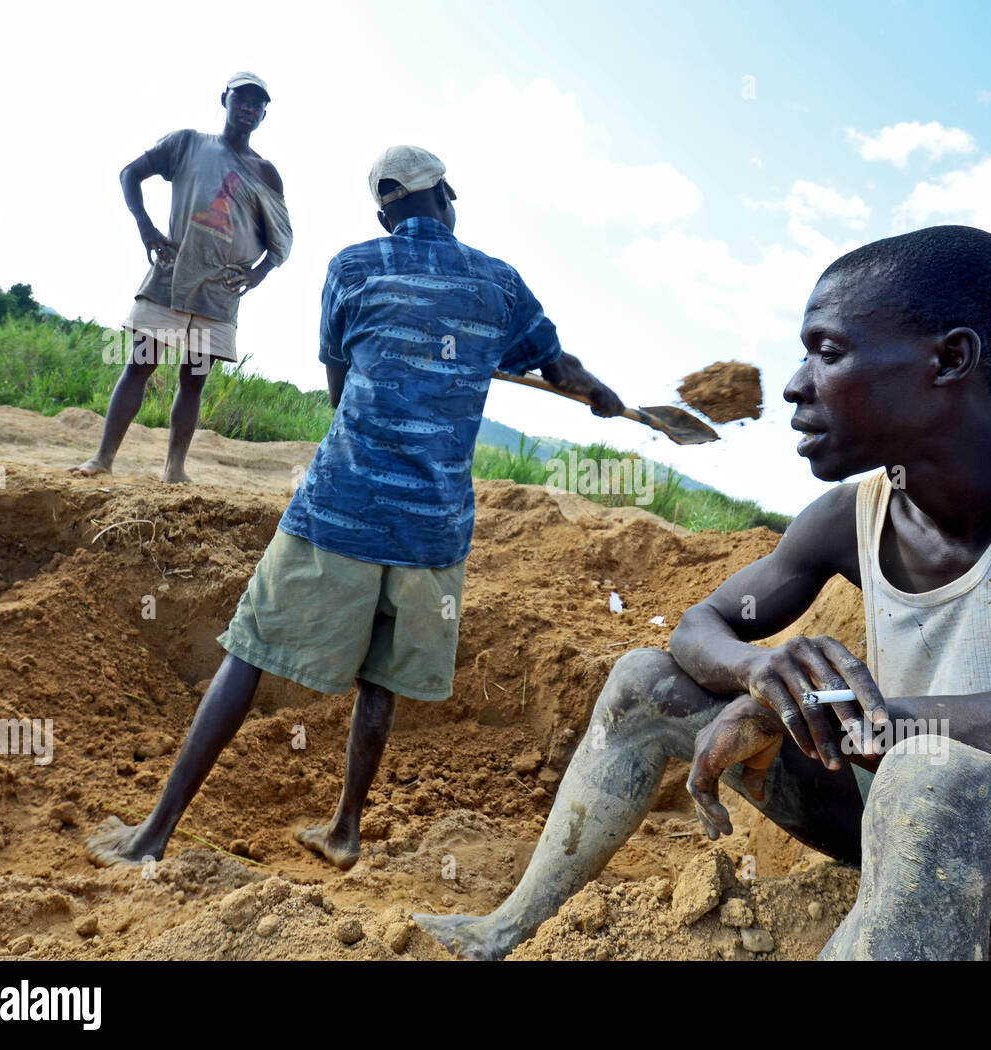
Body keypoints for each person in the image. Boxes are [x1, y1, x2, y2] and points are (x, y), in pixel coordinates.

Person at [415, 224, 991, 961]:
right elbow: (701, 626)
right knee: (647, 685)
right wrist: (757, 674)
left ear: (952, 358)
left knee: (937, 781)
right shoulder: (852, 517)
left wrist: (833, 712)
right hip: (929, 835)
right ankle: (506, 933)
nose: (793, 385)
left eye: (828, 350)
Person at [85, 145, 624, 871]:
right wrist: (602, 396)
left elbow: (342, 395)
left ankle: (152, 836)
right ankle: (344, 830)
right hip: (432, 528)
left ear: (383, 212)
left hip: (343, 504)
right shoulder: (500, 286)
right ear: (447, 197)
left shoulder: (352, 267)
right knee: (382, 677)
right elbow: (559, 368)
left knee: (248, 651)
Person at [75, 72, 292, 484]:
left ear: (264, 114)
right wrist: (146, 227)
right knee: (139, 366)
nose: (248, 107)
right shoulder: (188, 142)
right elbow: (129, 174)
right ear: (224, 99)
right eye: (241, 98)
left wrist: (259, 273)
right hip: (171, 276)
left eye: (256, 103)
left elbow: (282, 236)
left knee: (193, 380)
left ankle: (174, 469)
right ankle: (102, 458)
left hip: (218, 292)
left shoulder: (266, 173)